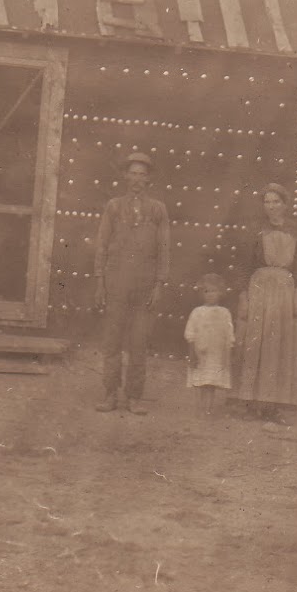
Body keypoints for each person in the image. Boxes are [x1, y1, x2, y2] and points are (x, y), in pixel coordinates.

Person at [94, 152, 170, 415]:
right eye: (133, 173)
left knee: (139, 342)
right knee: (112, 341)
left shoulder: (158, 209)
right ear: (125, 176)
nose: (137, 179)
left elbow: (164, 248)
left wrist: (159, 283)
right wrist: (100, 281)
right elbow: (102, 245)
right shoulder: (113, 207)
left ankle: (134, 397)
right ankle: (110, 394)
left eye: (142, 174)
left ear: (148, 178)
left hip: (145, 286)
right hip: (116, 283)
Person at [234, 183, 297, 423]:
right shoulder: (255, 229)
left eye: (276, 202)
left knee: (279, 345)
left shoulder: (295, 229)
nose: (272, 207)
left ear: (285, 204)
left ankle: (273, 405)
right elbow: (244, 265)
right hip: (260, 287)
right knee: (257, 342)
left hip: (285, 291)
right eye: (267, 202)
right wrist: (244, 297)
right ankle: (250, 401)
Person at [185, 274, 235, 416]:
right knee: (200, 381)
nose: (211, 294)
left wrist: (227, 355)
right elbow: (190, 334)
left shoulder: (225, 313)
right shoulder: (197, 312)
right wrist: (192, 353)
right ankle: (199, 408)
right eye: (207, 291)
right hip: (200, 352)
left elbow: (229, 335)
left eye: (214, 291)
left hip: (216, 353)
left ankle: (208, 408)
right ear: (201, 293)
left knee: (211, 382)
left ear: (220, 293)